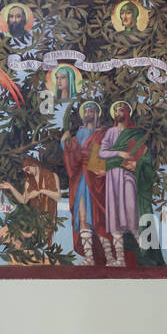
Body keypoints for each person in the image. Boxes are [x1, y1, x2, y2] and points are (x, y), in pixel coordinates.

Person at [99, 101, 165, 266]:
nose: (118, 112)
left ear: (127, 113)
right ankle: (120, 259)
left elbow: (145, 157)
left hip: (128, 175)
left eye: (121, 109)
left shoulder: (135, 134)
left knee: (132, 214)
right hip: (112, 177)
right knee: (114, 215)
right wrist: (120, 153)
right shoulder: (110, 132)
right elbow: (102, 152)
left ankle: (145, 255)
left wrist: (137, 164)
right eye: (115, 109)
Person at [61, 100, 114, 265]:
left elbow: (110, 154)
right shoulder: (79, 134)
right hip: (81, 179)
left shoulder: (104, 133)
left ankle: (110, 257)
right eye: (86, 111)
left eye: (91, 111)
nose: (88, 114)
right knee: (82, 215)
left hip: (98, 179)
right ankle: (89, 258)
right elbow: (73, 155)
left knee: (100, 217)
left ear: (97, 114)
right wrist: (65, 143)